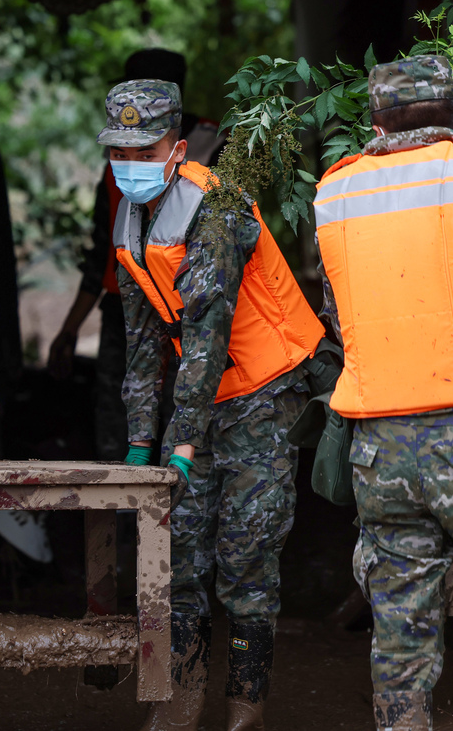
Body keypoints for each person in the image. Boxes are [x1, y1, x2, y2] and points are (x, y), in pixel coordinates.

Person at [314, 55, 453, 731]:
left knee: (402, 631)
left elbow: (337, 313)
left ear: (375, 124)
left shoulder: (337, 194)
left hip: (381, 451)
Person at [101, 80, 324, 731]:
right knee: (181, 555)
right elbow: (143, 342)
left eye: (144, 148)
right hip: (200, 403)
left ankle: (244, 705)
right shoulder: (134, 221)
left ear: (175, 148)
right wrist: (143, 440)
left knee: (248, 557)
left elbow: (205, 334)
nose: (130, 161)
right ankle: (181, 697)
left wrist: (183, 439)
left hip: (263, 397)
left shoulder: (218, 210)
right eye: (120, 149)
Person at [48, 48, 224, 462]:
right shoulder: (120, 163)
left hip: (193, 304)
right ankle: (128, 513)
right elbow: (102, 256)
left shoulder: (219, 143)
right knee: (126, 417)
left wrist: (71, 329)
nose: (132, 162)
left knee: (180, 413)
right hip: (128, 302)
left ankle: (164, 510)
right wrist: (70, 329)